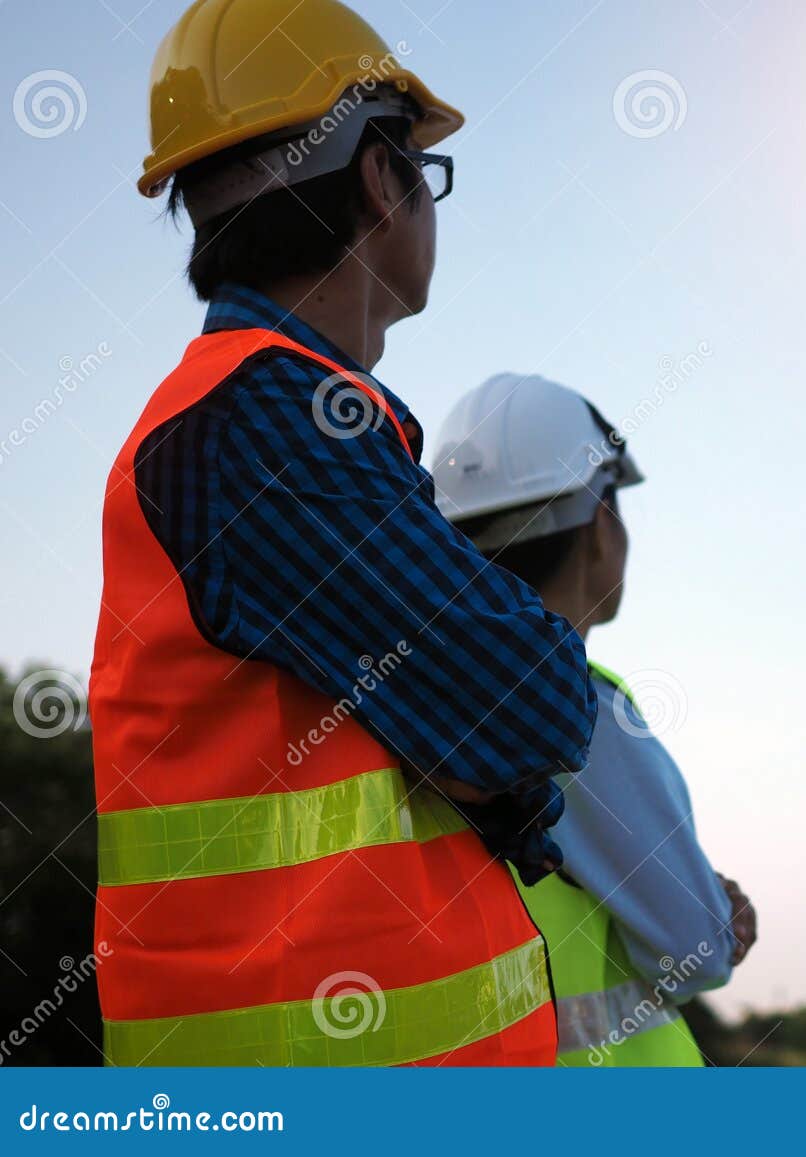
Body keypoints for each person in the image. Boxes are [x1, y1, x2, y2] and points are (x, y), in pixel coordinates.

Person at [90, 0, 593, 1066]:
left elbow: (483, 731)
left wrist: (475, 751)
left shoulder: (273, 415)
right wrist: (482, 750)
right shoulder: (261, 426)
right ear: (376, 176)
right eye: (424, 170)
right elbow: (536, 704)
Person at [432, 373, 757, 1065]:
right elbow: (696, 949)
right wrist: (715, 914)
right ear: (601, 523)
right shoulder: (583, 710)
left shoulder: (416, 696)